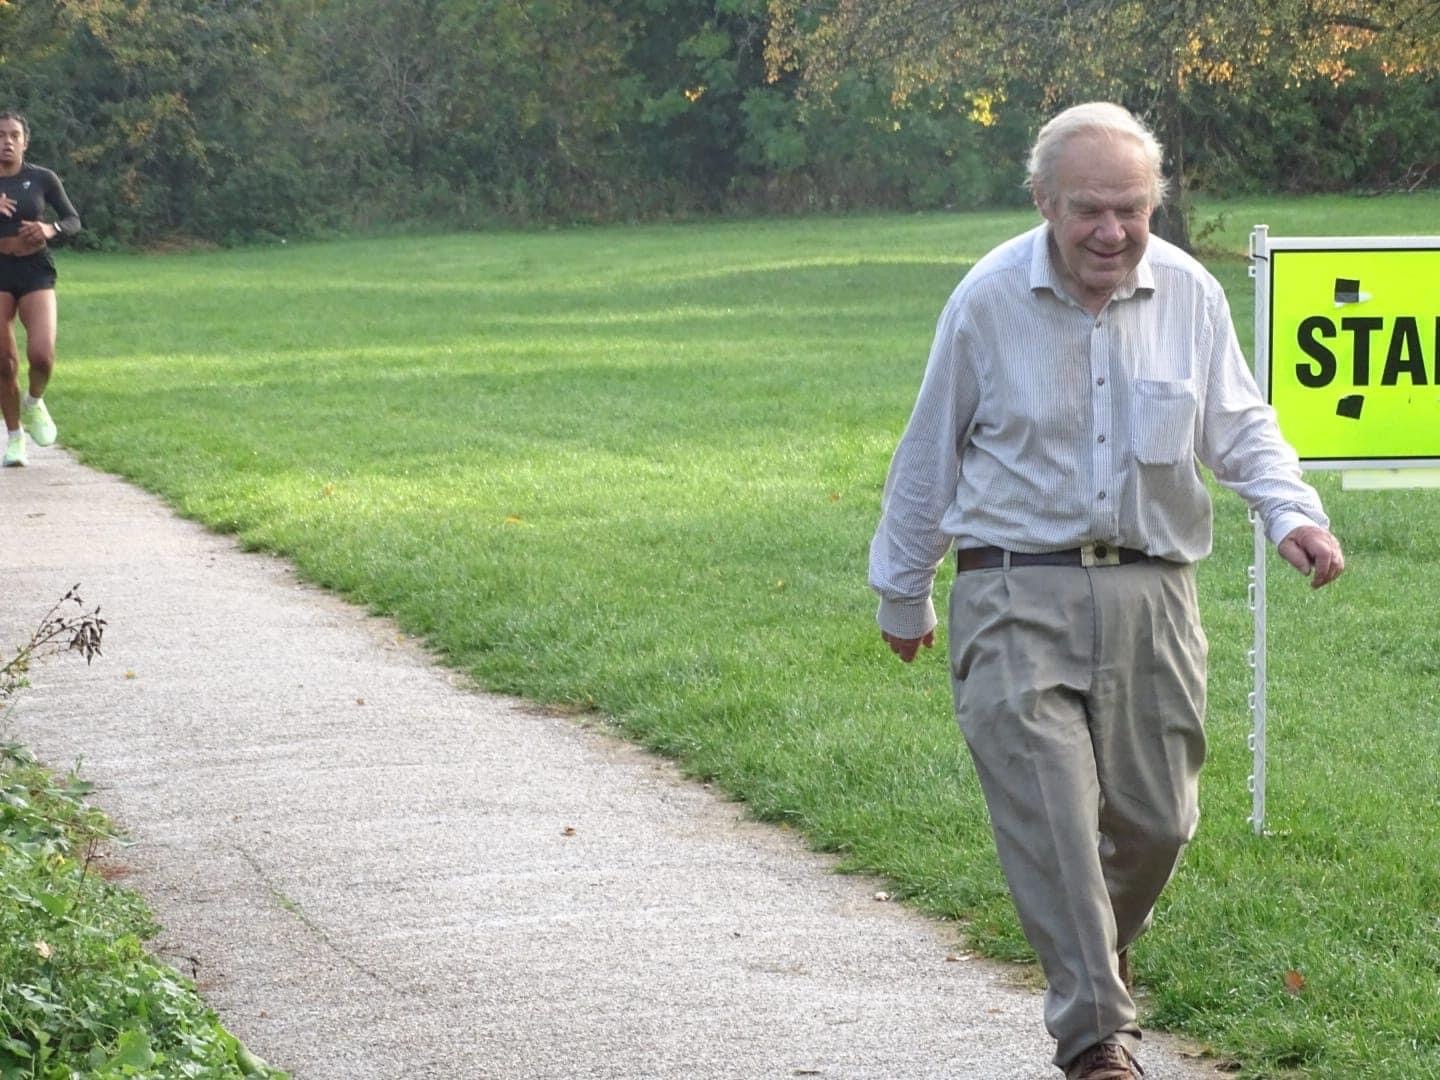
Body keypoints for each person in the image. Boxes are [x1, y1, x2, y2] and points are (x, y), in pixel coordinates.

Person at [868, 102, 1344, 1080]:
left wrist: (1290, 513)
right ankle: (1095, 1039)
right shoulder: (987, 300)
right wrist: (903, 590)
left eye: (1132, 209)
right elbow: (929, 452)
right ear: (1044, 202)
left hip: (1153, 598)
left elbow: (1239, 426)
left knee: (1157, 823)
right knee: (1052, 821)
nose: (1113, 232)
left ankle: (1095, 948)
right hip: (1015, 591)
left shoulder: (1191, 295)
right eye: (1090, 209)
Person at [0, 110, 81, 468]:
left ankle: (34, 402)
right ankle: (15, 438)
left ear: (25, 142)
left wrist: (51, 229)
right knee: (4, 363)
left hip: (35, 268)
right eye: (0, 135)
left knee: (42, 354)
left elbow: (73, 220)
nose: (6, 141)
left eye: (14, 135)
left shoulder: (43, 177)